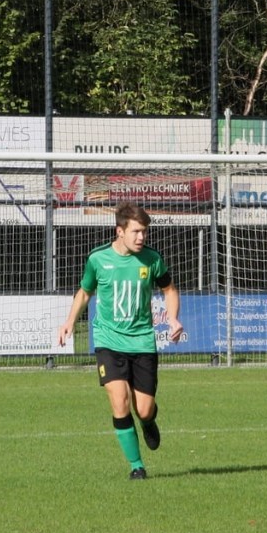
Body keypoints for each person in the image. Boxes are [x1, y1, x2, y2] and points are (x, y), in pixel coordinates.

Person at [58, 202, 183, 480]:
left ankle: (148, 421)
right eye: (137, 232)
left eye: (144, 232)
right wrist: (69, 322)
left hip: (142, 342)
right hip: (108, 341)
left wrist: (173, 318)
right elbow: (84, 292)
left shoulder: (152, 259)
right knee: (119, 401)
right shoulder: (98, 259)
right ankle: (137, 466)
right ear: (120, 231)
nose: (142, 237)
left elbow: (170, 289)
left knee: (144, 408)